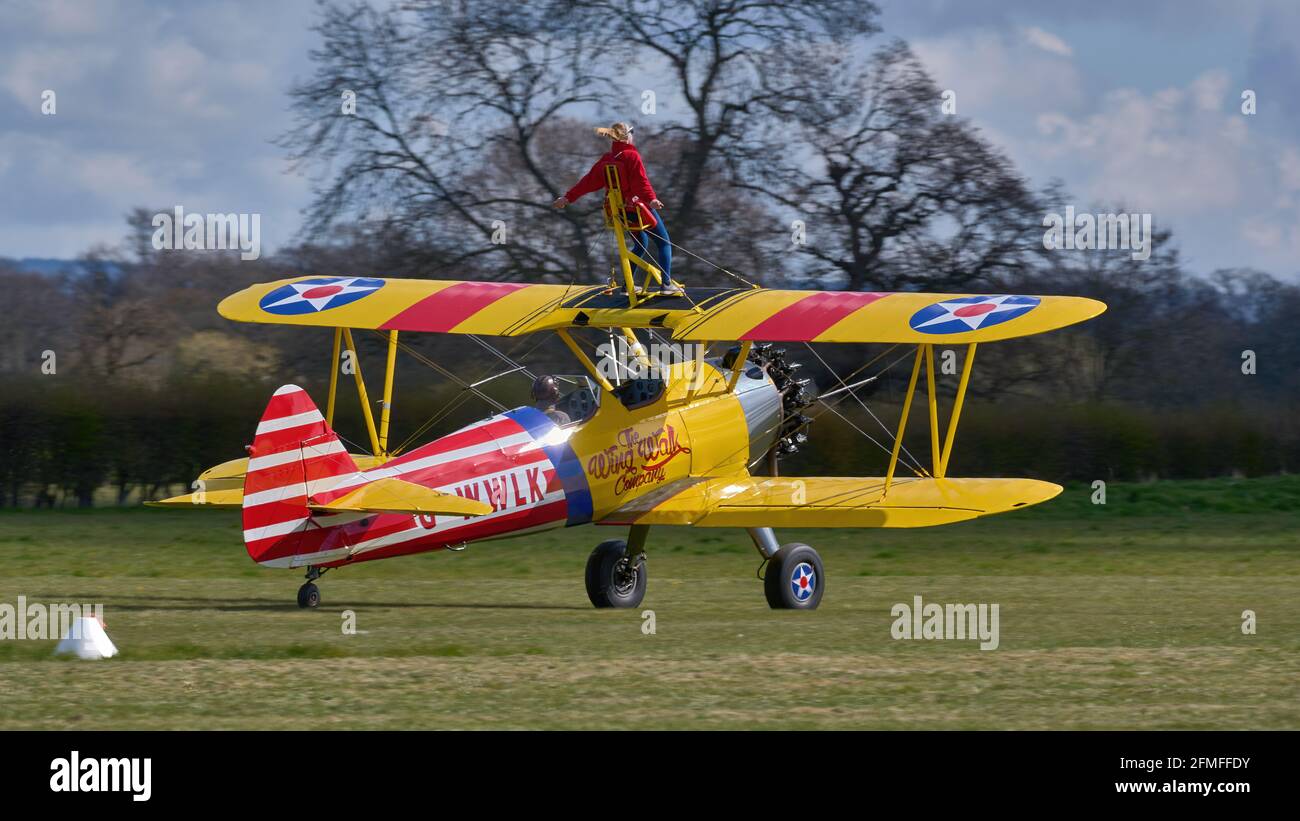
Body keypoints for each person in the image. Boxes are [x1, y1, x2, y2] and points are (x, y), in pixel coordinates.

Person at [552, 121, 682, 296]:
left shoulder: (606, 160)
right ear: (627, 136)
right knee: (664, 243)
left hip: (621, 212)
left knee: (640, 244)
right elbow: (641, 183)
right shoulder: (631, 156)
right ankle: (666, 285)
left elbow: (587, 182)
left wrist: (567, 198)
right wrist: (652, 200)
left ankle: (627, 286)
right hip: (638, 210)